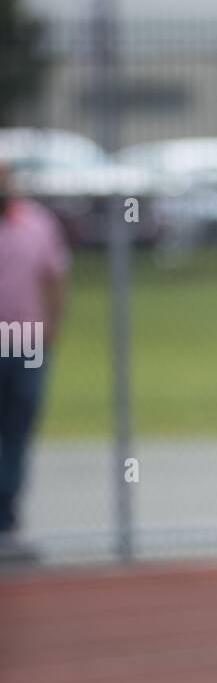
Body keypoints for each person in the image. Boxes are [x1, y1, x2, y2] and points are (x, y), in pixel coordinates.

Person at [0, 160, 70, 562]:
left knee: (17, 429)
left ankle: (6, 522)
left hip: (24, 339)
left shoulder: (36, 224)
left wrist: (52, 327)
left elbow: (55, 277)